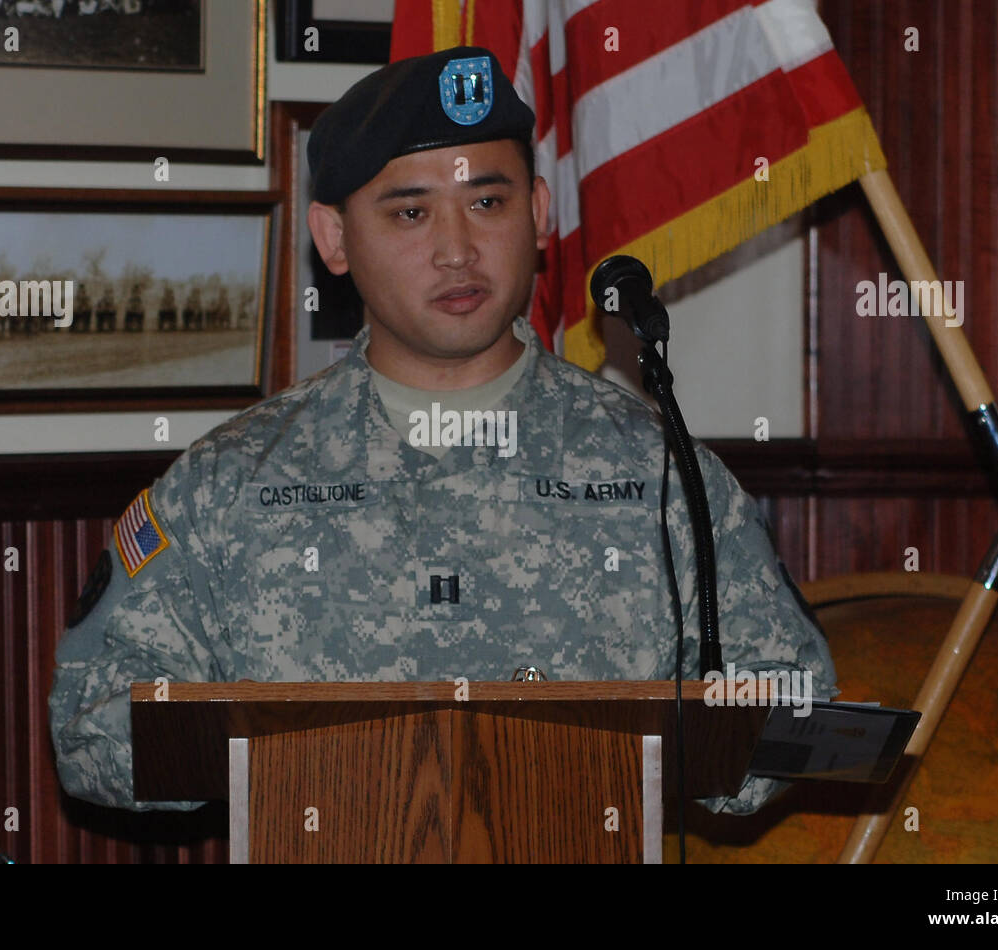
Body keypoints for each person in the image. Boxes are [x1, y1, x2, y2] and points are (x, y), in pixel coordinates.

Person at [49, 46, 838, 816]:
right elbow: (92, 725)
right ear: (333, 238)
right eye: (412, 212)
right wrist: (311, 751)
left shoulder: (661, 474)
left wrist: (621, 748)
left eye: (487, 204)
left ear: (538, 212)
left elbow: (794, 706)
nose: (457, 249)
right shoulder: (232, 482)